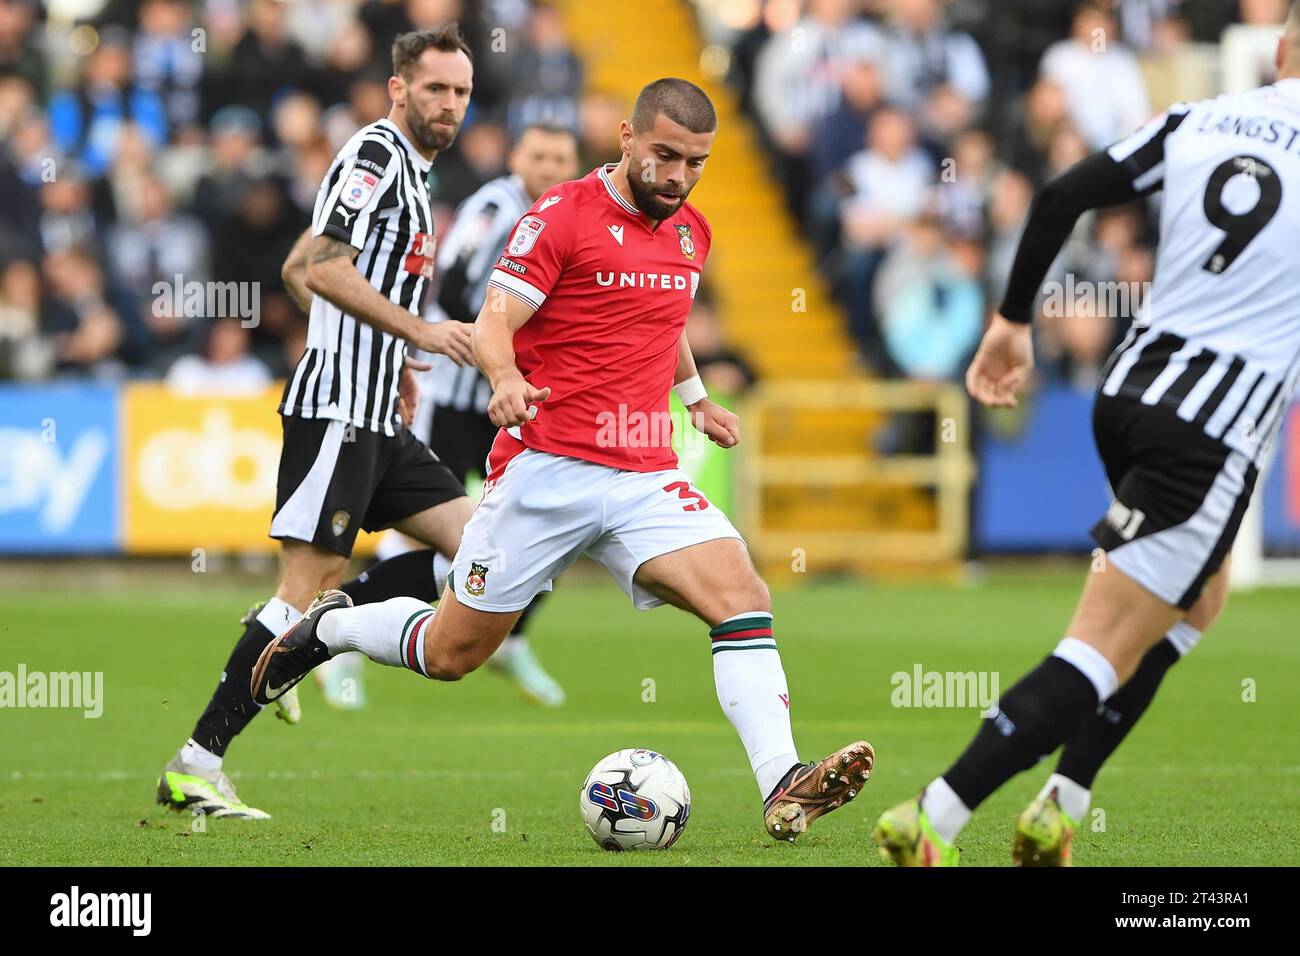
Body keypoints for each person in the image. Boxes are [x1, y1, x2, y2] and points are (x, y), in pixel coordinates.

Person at [246, 77, 874, 840]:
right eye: (665, 156)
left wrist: (698, 398)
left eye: (695, 163)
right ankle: (331, 631)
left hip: (645, 473)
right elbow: (494, 319)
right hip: (547, 470)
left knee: (743, 598)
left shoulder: (689, 233)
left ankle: (783, 782)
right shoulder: (561, 217)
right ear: (626, 138)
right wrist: (505, 377)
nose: (677, 176)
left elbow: (664, 315)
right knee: (451, 654)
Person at [874, 3, 1300, 866]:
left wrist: (1011, 320)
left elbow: (1063, 193)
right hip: (1210, 431)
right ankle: (936, 816)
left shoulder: (1197, 119)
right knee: (1104, 642)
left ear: (1282, 46)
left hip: (1129, 393)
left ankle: (1059, 806)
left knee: (1198, 600)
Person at [157, 25, 481, 819]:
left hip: (379, 413)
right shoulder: (375, 155)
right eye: (435, 88)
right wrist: (416, 333)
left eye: (462, 92)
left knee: (483, 548)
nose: (450, 104)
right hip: (337, 410)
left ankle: (305, 642)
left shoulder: (417, 173)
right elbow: (322, 265)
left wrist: (388, 355)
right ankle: (196, 763)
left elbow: (297, 269)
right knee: (305, 588)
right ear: (399, 88)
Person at [368, 122, 583, 709]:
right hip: (459, 392)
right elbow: (460, 282)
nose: (548, 165)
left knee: (549, 516)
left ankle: (511, 640)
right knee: (426, 520)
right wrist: (520, 330)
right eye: (537, 154)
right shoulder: (495, 205)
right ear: (515, 157)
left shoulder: (572, 213)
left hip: (514, 395)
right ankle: (347, 638)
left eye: (559, 155)